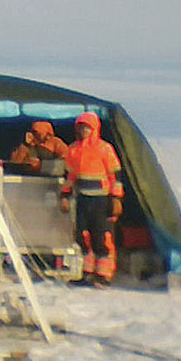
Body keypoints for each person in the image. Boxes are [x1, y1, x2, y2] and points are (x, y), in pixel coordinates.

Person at [60, 111, 125, 286]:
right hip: (82, 199)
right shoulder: (73, 149)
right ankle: (87, 272)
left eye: (87, 127)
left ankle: (104, 274)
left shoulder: (104, 148)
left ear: (94, 128)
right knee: (83, 236)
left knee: (101, 237)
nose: (83, 131)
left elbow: (115, 176)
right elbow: (70, 176)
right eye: (80, 127)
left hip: (102, 200)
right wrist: (65, 195)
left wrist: (116, 199)